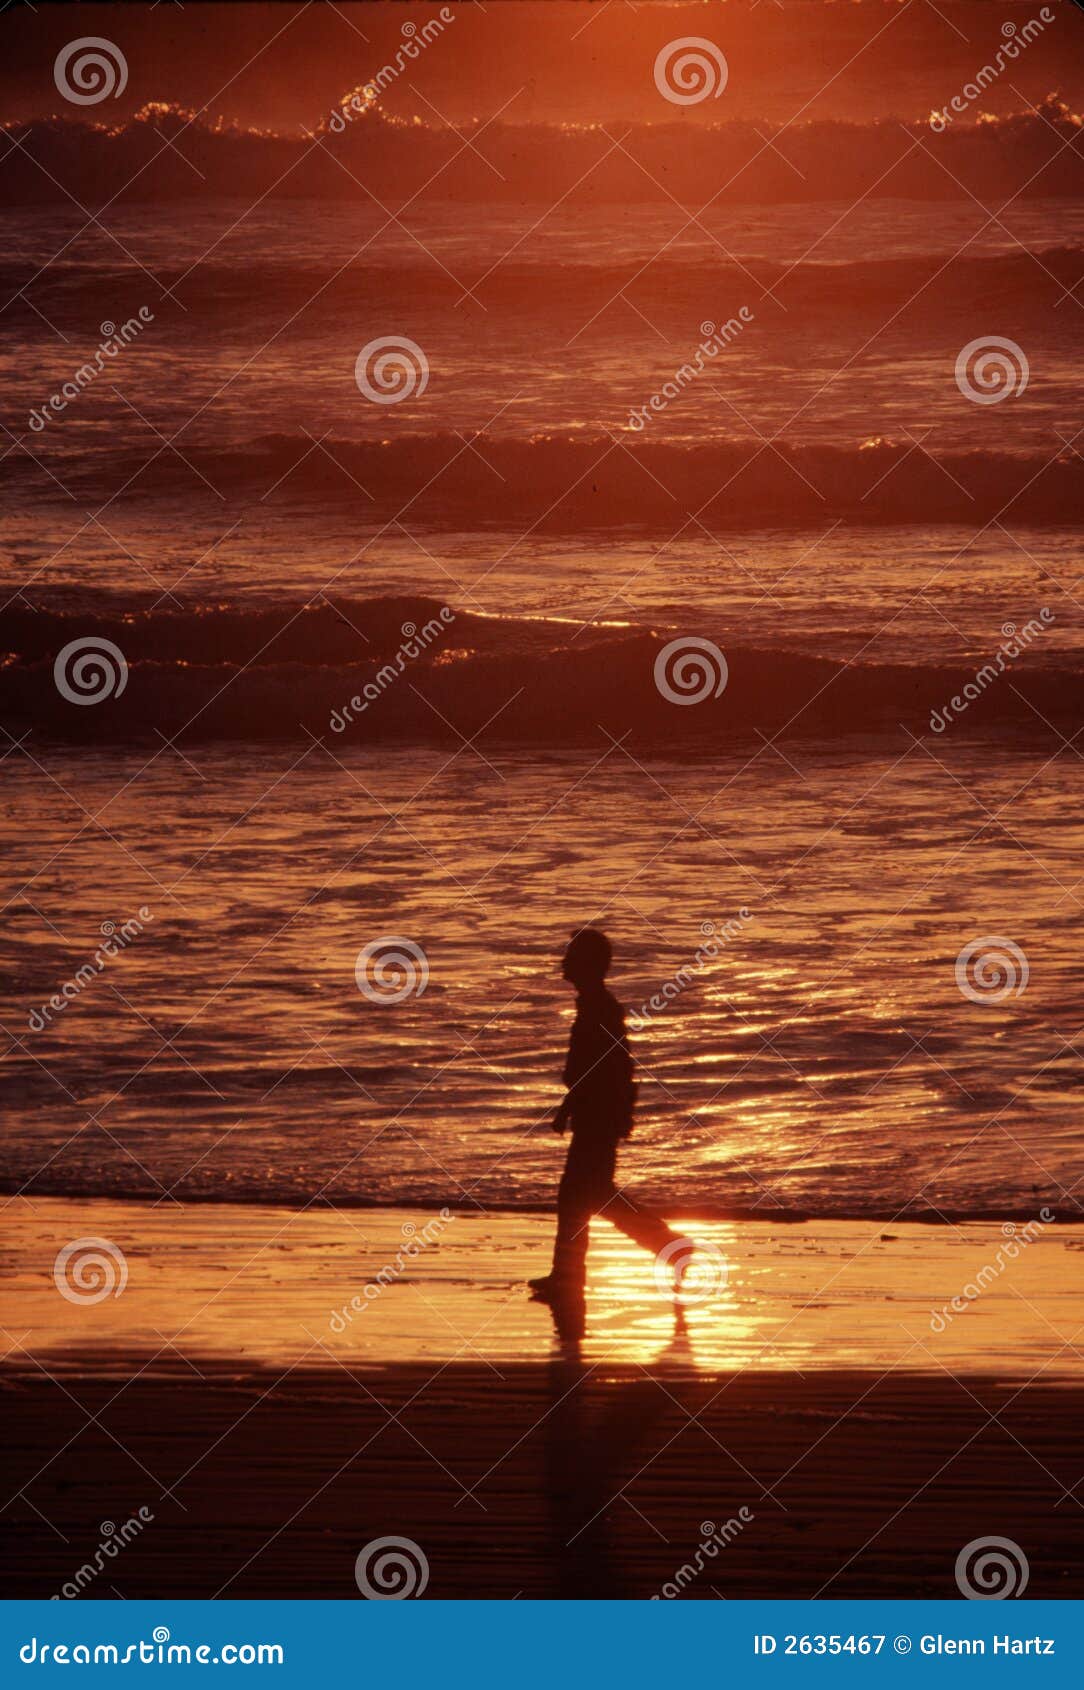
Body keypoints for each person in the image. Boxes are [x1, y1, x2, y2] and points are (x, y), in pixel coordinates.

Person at [529, 927, 696, 1303]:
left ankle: (670, 1248)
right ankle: (571, 1275)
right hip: (593, 1114)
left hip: (598, 1118)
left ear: (588, 965)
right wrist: (567, 1109)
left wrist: (607, 1114)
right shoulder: (592, 1005)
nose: (564, 961)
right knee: (587, 1197)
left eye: (571, 955)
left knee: (585, 1196)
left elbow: (613, 1067)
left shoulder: (602, 1008)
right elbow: (593, 1069)